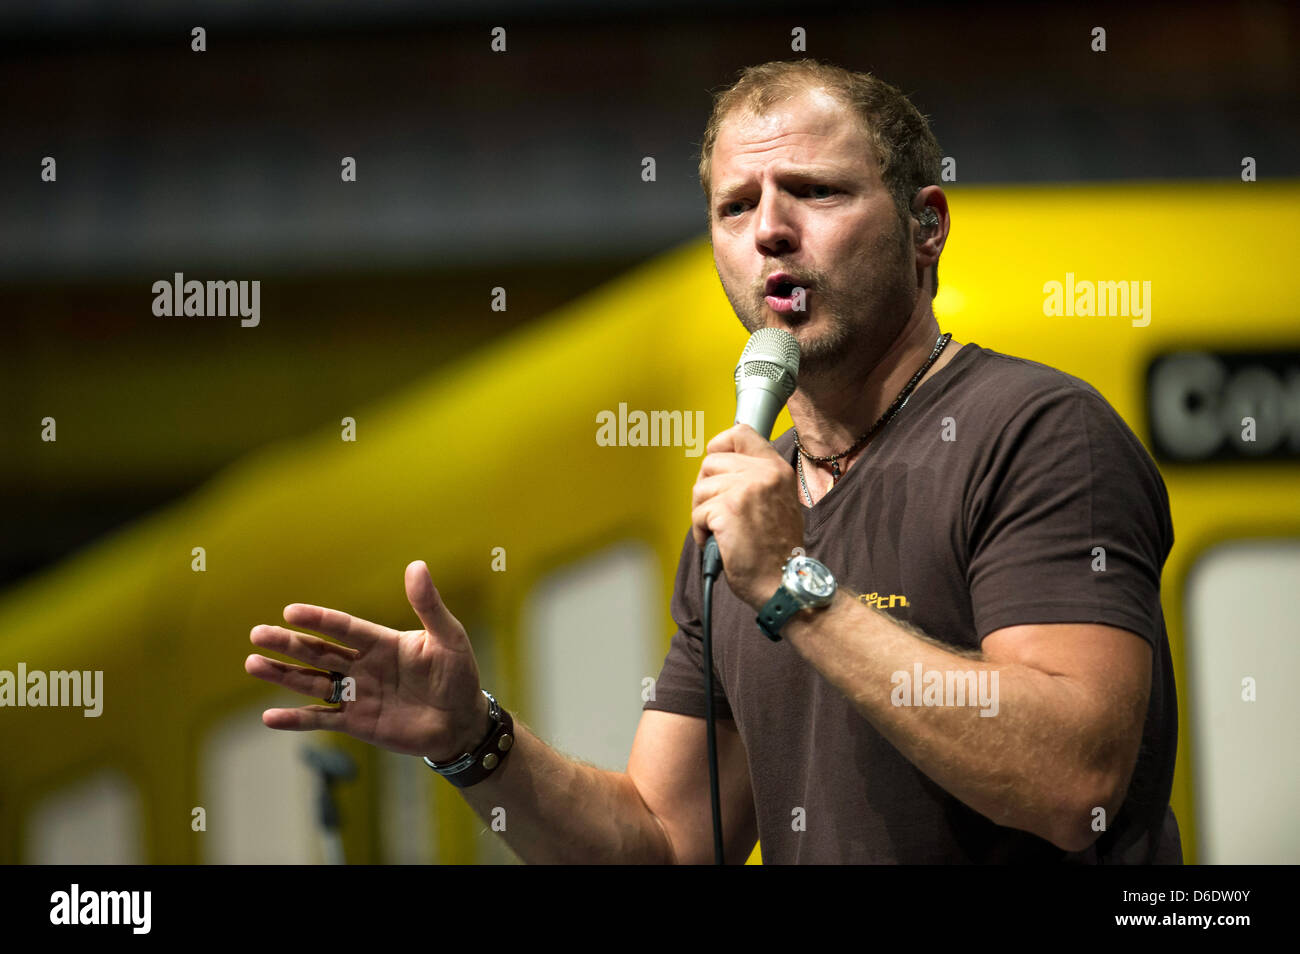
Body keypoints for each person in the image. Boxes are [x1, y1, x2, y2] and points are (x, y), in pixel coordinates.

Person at [245, 58, 1181, 864]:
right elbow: (665, 842)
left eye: (816, 191)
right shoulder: (749, 508)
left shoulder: (1038, 432)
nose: (771, 229)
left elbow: (1074, 779)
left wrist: (791, 587)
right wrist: (473, 741)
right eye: (737, 207)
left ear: (926, 225)